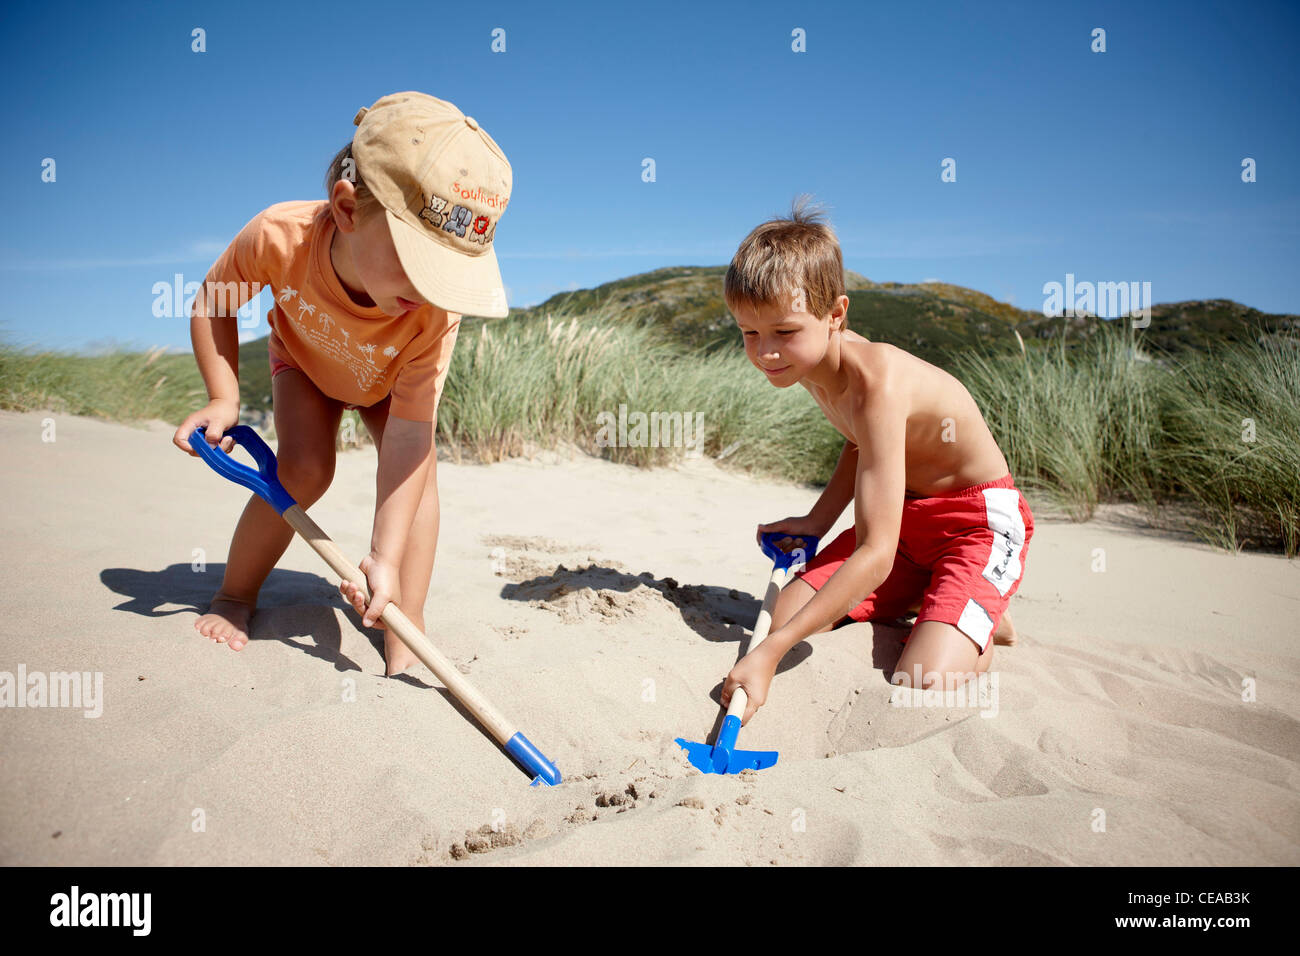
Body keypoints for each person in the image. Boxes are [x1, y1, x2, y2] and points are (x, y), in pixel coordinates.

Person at [172, 91, 512, 674]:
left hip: (386, 383)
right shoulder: (280, 235)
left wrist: (381, 554)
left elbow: (408, 438)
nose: (432, 290)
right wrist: (223, 396)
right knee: (304, 469)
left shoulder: (433, 314)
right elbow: (214, 302)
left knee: (419, 478)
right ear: (349, 209)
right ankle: (235, 595)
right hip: (305, 364)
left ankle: (409, 620)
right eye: (420, 263)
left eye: (450, 275)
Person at [719, 197, 1034, 724]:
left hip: (975, 526)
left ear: (835, 314)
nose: (765, 352)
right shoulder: (815, 366)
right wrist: (817, 521)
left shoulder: (879, 382)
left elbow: (875, 552)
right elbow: (859, 441)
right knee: (786, 617)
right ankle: (940, 600)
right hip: (907, 523)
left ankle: (978, 620)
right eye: (750, 333)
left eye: (785, 332)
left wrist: (767, 657)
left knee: (924, 680)